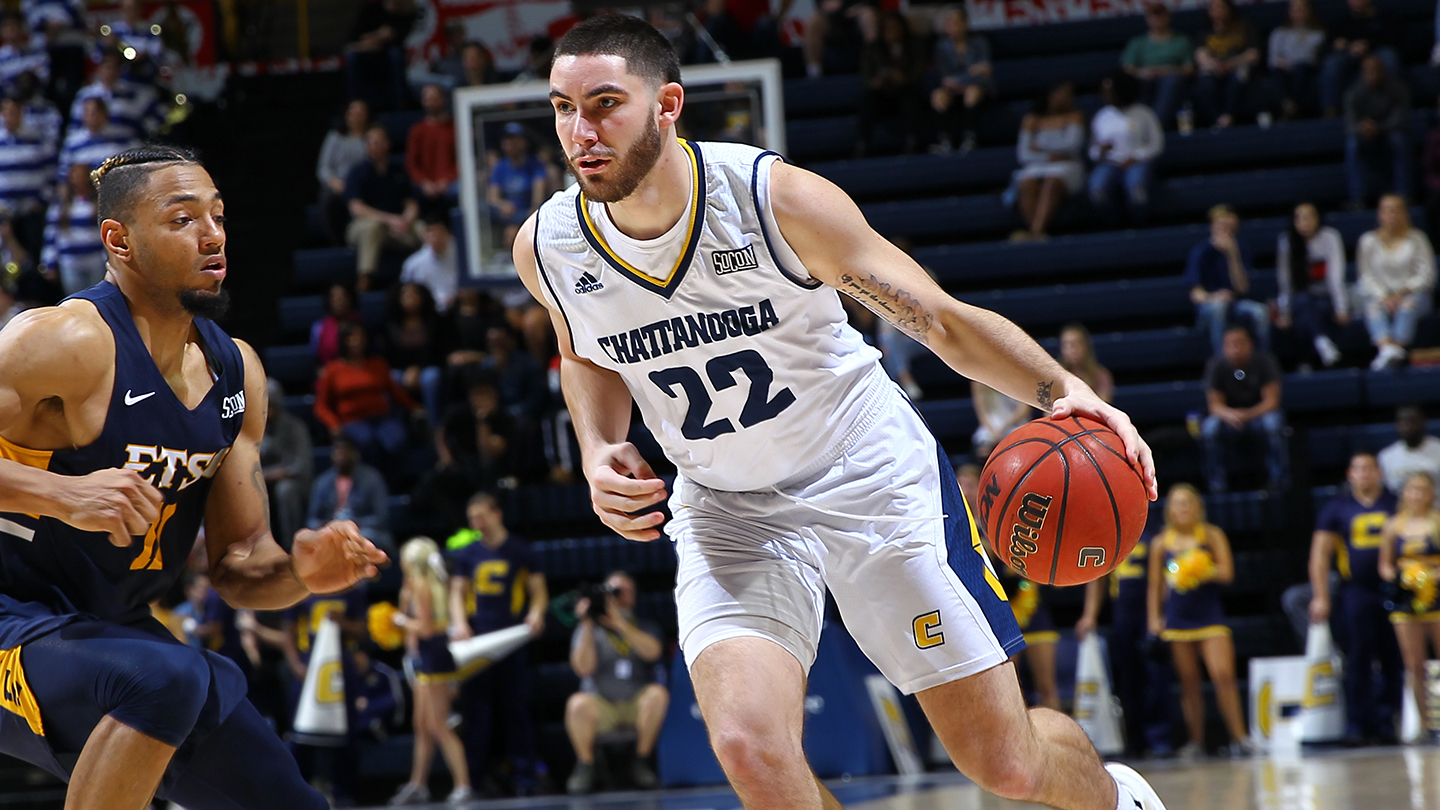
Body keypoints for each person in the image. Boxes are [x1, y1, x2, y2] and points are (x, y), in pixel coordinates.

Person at [521, 15, 1165, 810]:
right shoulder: (549, 245)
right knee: (750, 749)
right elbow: (583, 350)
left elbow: (936, 318)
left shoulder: (774, 201)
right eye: (561, 107)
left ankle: (1118, 798)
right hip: (727, 506)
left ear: (668, 104)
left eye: (605, 103)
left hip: (865, 477)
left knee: (1005, 766)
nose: (579, 131)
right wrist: (597, 445)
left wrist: (1065, 391)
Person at [0, 145, 387, 809]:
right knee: (168, 676)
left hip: (111, 634)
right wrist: (62, 494)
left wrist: (302, 575)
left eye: (218, 216)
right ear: (118, 241)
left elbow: (239, 566)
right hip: (15, 620)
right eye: (182, 220)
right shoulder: (63, 341)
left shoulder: (236, 373)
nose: (212, 235)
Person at [446, 492, 547, 795]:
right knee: (476, 713)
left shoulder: (520, 550)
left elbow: (538, 590)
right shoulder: (467, 554)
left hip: (511, 640)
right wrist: (461, 623)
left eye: (481, 515)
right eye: (472, 518)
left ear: (496, 513)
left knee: (516, 711)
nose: (477, 522)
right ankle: (474, 779)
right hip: (478, 642)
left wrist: (536, 613)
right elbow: (457, 592)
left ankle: (525, 778)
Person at [1147, 484, 1255, 759]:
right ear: (1169, 509)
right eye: (1177, 503)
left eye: (1188, 503)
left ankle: (1240, 738)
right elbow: (1155, 585)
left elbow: (1227, 572)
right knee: (1189, 682)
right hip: (1177, 620)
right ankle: (1196, 742)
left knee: (1223, 676)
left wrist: (1199, 569)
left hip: (1210, 617)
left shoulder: (1211, 535)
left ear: (1198, 507)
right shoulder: (1161, 543)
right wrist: (1154, 618)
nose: (1183, 508)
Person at [1308, 452, 1403, 745]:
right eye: (1358, 469)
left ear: (1379, 472)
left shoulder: (1395, 504)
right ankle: (1357, 723)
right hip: (1356, 590)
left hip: (1395, 590)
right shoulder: (1337, 508)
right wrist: (1320, 596)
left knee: (1393, 656)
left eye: (1369, 468)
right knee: (1358, 656)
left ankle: (1388, 720)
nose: (1364, 474)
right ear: (1350, 474)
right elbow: (1320, 556)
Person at [566, 570, 668, 795]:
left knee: (657, 694)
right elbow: (583, 668)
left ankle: (641, 761)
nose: (620, 597)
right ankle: (586, 765)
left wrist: (621, 624)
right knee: (576, 703)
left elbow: (653, 652)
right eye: (614, 592)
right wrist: (587, 624)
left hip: (635, 703)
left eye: (625, 592)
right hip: (603, 704)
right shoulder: (589, 630)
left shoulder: (643, 625)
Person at [1078, 532, 1175, 759]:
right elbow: (1097, 575)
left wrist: (1161, 612)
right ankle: (1134, 740)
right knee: (1128, 679)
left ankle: (1160, 739)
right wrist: (1090, 614)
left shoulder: (1156, 528)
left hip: (1150, 613)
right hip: (1122, 613)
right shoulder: (1110, 528)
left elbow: (1167, 573)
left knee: (1156, 676)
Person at [391, 536, 472, 805]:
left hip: (434, 659)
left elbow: (425, 629)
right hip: (427, 659)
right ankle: (418, 784)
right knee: (422, 725)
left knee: (439, 725)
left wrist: (400, 620)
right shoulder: (420, 584)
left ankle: (463, 785)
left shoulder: (423, 585)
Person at [313, 321, 425, 473]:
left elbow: (396, 393)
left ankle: (393, 486)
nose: (356, 341)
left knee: (396, 440)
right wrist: (334, 425)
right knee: (367, 443)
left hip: (382, 418)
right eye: (352, 337)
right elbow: (321, 406)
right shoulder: (333, 370)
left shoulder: (378, 364)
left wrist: (414, 407)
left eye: (360, 337)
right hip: (352, 421)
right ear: (344, 341)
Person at [1377, 471, 1440, 742]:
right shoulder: (1393, 525)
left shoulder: (1437, 523)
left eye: (1422, 490)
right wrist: (1398, 578)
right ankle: (1425, 724)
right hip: (1405, 601)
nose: (1417, 495)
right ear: (1404, 493)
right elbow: (1384, 564)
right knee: (1414, 664)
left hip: (1436, 597)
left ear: (1431, 494)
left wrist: (1429, 576)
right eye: (1412, 489)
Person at [1201, 324, 1288, 492]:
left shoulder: (1264, 362)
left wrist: (1247, 414)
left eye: (1239, 343)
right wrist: (1230, 414)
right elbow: (1215, 405)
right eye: (1230, 344)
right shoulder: (1216, 365)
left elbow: (1272, 402)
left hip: (1257, 415)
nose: (1235, 349)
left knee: (1273, 424)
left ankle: (1279, 479)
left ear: (1250, 344)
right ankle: (1216, 483)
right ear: (1223, 347)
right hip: (1230, 418)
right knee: (1208, 429)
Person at [1358, 195, 1435, 369]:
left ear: (1404, 214)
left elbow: (1427, 274)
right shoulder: (1368, 241)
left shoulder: (1417, 239)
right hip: (1381, 295)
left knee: (1408, 305)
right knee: (1372, 306)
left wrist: (1402, 292)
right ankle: (1386, 348)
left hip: (1413, 293)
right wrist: (1385, 296)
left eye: (1395, 210)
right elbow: (1367, 277)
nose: (1391, 215)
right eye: (1386, 210)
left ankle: (1396, 347)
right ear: (1379, 214)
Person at [345, 124, 422, 290]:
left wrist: (406, 220)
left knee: (424, 229)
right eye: (371, 142)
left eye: (378, 141)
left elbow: (411, 203)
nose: (375, 146)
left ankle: (429, 276)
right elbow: (357, 208)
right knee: (373, 226)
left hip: (394, 228)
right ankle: (365, 278)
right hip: (363, 227)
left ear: (388, 144)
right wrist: (390, 219)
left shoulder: (399, 170)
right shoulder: (357, 172)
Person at [1186, 204, 1270, 355]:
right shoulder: (1201, 252)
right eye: (1223, 227)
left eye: (1230, 229)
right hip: (1209, 307)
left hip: (1234, 305)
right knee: (1220, 307)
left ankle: (1262, 362)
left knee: (1260, 312)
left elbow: (1242, 288)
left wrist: (1233, 255)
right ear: (1213, 226)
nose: (1227, 232)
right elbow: (1195, 294)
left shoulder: (1241, 250)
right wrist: (1215, 297)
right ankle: (1223, 362)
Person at [1276, 202, 1347, 368]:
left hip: (1325, 296)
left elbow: (1336, 276)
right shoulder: (1287, 241)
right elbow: (1285, 281)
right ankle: (1323, 345)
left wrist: (1341, 308)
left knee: (1310, 316)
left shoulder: (1330, 237)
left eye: (1308, 217)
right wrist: (1284, 311)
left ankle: (1305, 361)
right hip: (1300, 298)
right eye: (1299, 218)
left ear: (1318, 218)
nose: (1304, 222)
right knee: (1303, 303)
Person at [1012, 81, 1085, 241]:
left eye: (1070, 96)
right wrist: (1049, 154)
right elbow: (1024, 154)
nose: (1068, 99)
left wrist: (1041, 146)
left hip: (1067, 166)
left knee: (1052, 183)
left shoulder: (1075, 117)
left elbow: (1072, 146)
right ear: (1051, 96)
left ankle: (1036, 232)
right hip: (1037, 165)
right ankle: (1036, 233)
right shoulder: (1032, 120)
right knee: (1026, 184)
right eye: (1063, 94)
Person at [1088, 71, 1162, 227]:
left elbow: (1157, 144)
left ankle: (1139, 225)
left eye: (1110, 92)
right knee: (1097, 191)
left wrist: (1136, 156)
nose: (1106, 96)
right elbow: (1092, 151)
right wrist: (1100, 151)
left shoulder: (1144, 113)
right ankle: (1114, 224)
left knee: (1138, 192)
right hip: (1110, 162)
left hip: (1137, 161)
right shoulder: (1102, 116)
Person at [306, 433, 393, 555]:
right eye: (337, 452)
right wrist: (328, 525)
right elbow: (312, 520)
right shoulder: (323, 482)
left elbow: (381, 517)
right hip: (332, 531)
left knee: (361, 539)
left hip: (363, 530)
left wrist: (354, 523)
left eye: (345, 451)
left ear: (354, 454)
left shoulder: (372, 478)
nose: (341, 456)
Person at [1344, 55, 1412, 208]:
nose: (1372, 75)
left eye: (1375, 71)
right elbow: (1350, 124)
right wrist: (1362, 128)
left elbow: (1400, 120)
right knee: (1352, 145)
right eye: (1368, 71)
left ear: (1383, 72)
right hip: (1365, 136)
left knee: (1400, 141)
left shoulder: (1397, 88)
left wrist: (1378, 127)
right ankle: (1358, 198)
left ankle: (1404, 195)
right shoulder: (1354, 91)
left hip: (1388, 133)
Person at [855, 10, 924, 158]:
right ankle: (862, 144)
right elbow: (867, 76)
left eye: (894, 28)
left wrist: (903, 78)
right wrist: (877, 81)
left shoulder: (912, 46)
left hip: (906, 92)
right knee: (868, 99)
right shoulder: (874, 48)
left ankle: (912, 142)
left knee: (911, 98)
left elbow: (918, 72)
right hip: (882, 95)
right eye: (887, 28)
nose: (890, 32)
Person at [1321, 0, 1401, 118]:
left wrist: (1368, 44)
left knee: (1390, 57)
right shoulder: (1342, 21)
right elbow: (1326, 47)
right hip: (1350, 54)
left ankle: (1393, 104)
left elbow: (1395, 40)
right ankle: (1330, 109)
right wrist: (1342, 45)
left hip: (1376, 51)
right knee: (1332, 63)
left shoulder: (1383, 17)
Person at [930, 7, 992, 155]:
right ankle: (945, 141)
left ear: (966, 24)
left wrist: (960, 80)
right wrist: (969, 73)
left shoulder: (979, 42)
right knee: (938, 96)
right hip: (953, 88)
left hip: (978, 87)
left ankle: (970, 138)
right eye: (950, 23)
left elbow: (984, 70)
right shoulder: (941, 46)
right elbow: (945, 77)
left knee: (972, 91)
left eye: (957, 23)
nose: (954, 27)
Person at [259, 377, 311, 552]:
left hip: (295, 484)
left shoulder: (295, 427)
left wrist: (275, 473)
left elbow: (301, 466)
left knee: (285, 490)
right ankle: (257, 546)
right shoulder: (256, 428)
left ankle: (291, 546)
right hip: (263, 482)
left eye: (270, 405)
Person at [383, 281, 446, 424]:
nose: (410, 297)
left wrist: (418, 369)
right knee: (392, 378)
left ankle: (434, 426)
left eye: (414, 293)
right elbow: (388, 356)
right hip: (401, 370)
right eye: (406, 294)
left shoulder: (434, 321)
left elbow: (439, 352)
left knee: (431, 378)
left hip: (427, 367)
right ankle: (397, 426)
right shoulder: (391, 325)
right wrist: (407, 371)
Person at [1121, 3, 1193, 127]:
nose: (1157, 19)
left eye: (1160, 15)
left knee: (1172, 81)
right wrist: (1144, 72)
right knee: (1137, 82)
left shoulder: (1181, 41)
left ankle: (1155, 126)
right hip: (1144, 79)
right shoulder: (1138, 43)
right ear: (1147, 18)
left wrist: (1165, 71)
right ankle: (1139, 124)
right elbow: (1127, 69)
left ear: (1168, 17)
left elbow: (1189, 69)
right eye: (1153, 15)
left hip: (1171, 79)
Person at [0, 93, 52, 258]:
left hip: (31, 211)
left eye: (14, 112)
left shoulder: (37, 138)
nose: (10, 116)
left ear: (21, 112)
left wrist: (42, 200)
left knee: (32, 260)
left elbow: (51, 174)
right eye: (6, 112)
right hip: (4, 213)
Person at [1192, 0, 1258, 129]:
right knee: (1203, 80)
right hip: (1214, 69)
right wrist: (1215, 65)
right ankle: (1217, 119)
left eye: (1221, 7)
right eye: (1214, 8)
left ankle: (1228, 115)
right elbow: (1201, 57)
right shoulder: (1204, 34)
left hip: (1237, 66)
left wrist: (1230, 63)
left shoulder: (1244, 28)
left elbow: (1253, 55)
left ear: (1229, 9)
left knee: (1241, 73)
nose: (1218, 11)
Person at [40, 162, 104, 294]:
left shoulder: (99, 202)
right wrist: (48, 262)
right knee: (74, 300)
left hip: (95, 260)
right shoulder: (60, 205)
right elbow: (52, 235)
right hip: (70, 261)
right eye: (74, 175)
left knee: (97, 299)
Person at [69, 51, 161, 140]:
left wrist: (140, 137)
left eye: (114, 67)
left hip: (127, 147)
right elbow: (75, 127)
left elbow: (154, 119)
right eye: (107, 67)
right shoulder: (85, 95)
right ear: (99, 69)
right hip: (94, 148)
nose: (110, 71)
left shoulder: (134, 93)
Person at [316, 99, 370, 245]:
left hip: (362, 185)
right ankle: (338, 242)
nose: (356, 116)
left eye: (360, 113)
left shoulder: (370, 139)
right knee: (329, 199)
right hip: (339, 184)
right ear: (346, 115)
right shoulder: (335, 137)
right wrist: (334, 182)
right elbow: (323, 168)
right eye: (352, 112)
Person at [344, 0, 416, 111]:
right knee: (353, 55)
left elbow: (397, 40)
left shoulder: (406, 14)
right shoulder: (369, 9)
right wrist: (378, 36)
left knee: (395, 54)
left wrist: (373, 39)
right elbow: (353, 39)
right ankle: (355, 103)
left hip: (387, 55)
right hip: (366, 53)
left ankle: (400, 103)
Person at [488, 122, 548, 250]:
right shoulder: (500, 167)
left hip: (527, 214)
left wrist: (533, 211)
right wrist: (502, 204)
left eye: (514, 140)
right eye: (507, 140)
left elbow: (538, 195)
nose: (510, 144)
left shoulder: (535, 165)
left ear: (523, 142)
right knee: (508, 232)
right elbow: (493, 197)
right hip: (507, 215)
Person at [1265, 0, 1325, 121]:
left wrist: (1292, 62)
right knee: (1277, 71)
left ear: (1309, 12)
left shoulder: (1317, 34)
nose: (1298, 13)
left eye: (1302, 9)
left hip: (1305, 69)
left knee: (1300, 69)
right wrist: (1284, 63)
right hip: (1282, 69)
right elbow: (1273, 58)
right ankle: (1289, 104)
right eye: (1295, 10)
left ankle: (1290, 107)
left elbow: (1310, 57)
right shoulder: (1279, 33)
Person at [57, 96, 138, 183]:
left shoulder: (122, 137)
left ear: (105, 114)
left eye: (95, 113)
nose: (92, 117)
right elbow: (63, 177)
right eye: (88, 113)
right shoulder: (73, 143)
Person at [406, 84, 457, 206]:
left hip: (452, 182)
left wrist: (447, 180)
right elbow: (412, 164)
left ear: (442, 99)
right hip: (425, 185)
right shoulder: (417, 130)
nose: (431, 103)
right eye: (428, 99)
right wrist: (424, 183)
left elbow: (463, 159)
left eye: (434, 99)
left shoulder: (455, 127)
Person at [401, 212, 459, 313]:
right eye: (429, 231)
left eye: (437, 231)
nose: (434, 235)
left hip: (457, 306)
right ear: (424, 235)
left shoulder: (462, 254)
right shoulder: (413, 263)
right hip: (429, 311)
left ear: (447, 232)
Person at [1378, 405, 1440, 499]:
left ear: (1423, 422)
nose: (1408, 426)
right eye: (1404, 422)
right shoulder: (1386, 457)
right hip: (1400, 511)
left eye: (1413, 421)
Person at [971, 381, 1032, 459]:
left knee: (1017, 440)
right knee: (983, 447)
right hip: (991, 425)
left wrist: (1003, 429)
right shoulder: (978, 380)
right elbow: (981, 410)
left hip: (1016, 423)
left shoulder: (1019, 376)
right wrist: (993, 430)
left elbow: (1023, 411)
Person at [309, 282, 364, 366]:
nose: (339, 301)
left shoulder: (361, 324)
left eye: (342, 296)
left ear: (350, 298)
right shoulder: (319, 328)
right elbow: (316, 359)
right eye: (334, 297)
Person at [1057, 322, 1114, 403]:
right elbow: (1049, 410)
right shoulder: (1056, 378)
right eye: (1066, 344)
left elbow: (1103, 406)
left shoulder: (1101, 376)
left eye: (1075, 344)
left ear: (1085, 346)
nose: (1071, 350)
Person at [0, 12, 48, 92]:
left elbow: (44, 78)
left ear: (22, 28)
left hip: (32, 99)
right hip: (6, 100)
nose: (12, 29)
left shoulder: (37, 54)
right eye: (7, 26)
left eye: (15, 25)